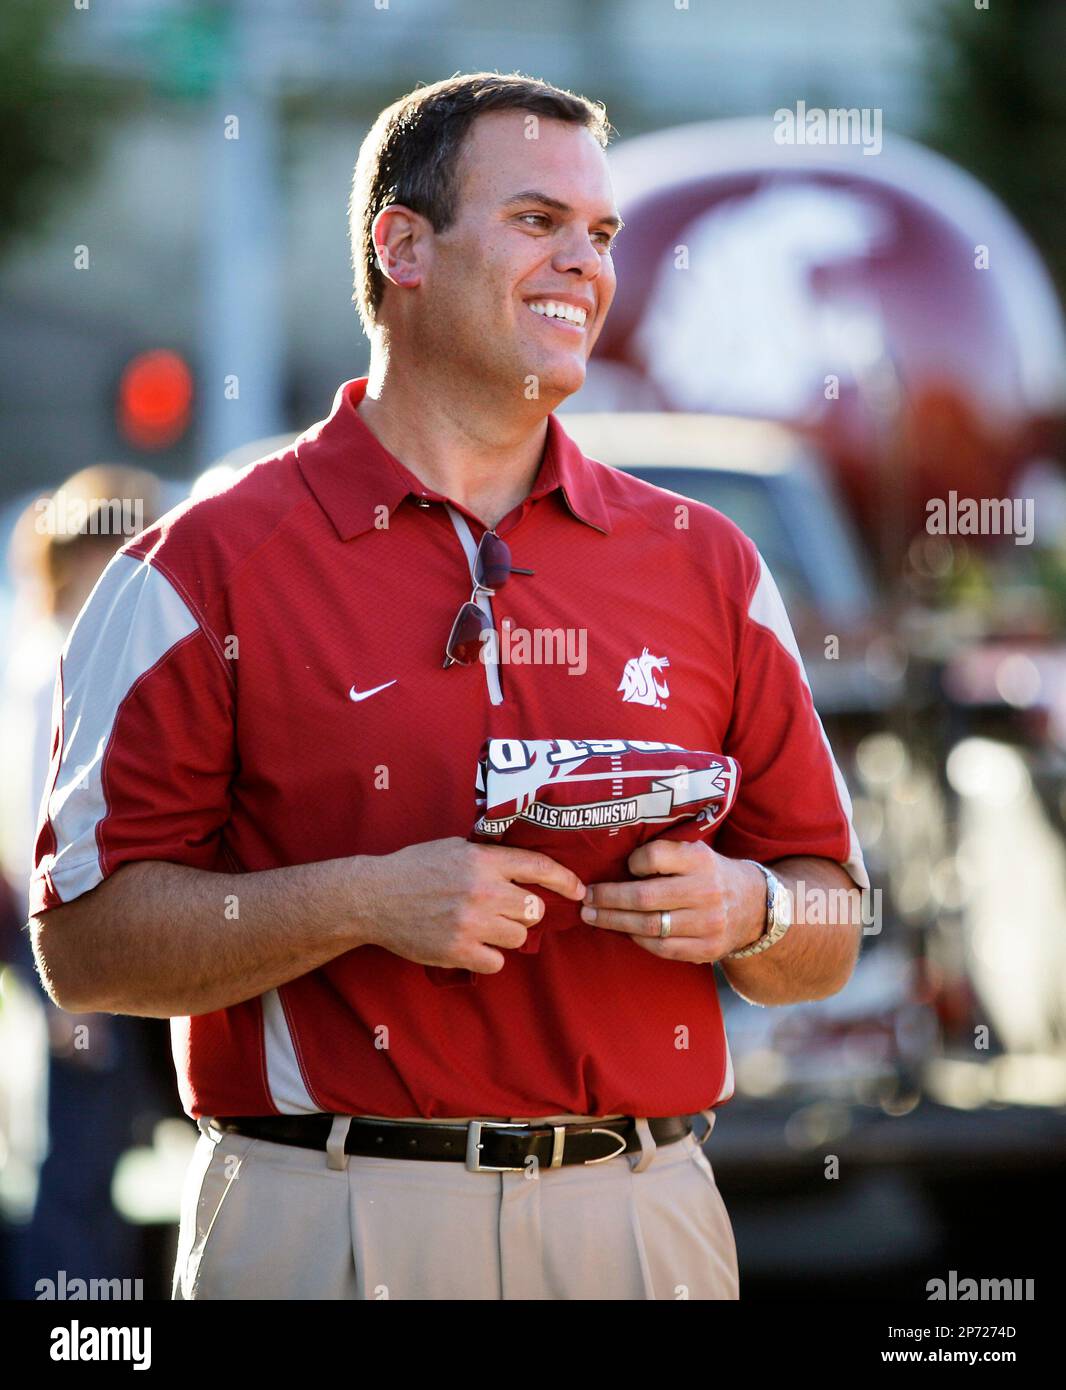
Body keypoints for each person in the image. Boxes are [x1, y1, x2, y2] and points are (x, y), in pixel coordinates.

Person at [28, 72, 869, 1301]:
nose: (585, 263)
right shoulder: (197, 568)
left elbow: (832, 915)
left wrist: (747, 909)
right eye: (538, 221)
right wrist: (364, 900)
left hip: (643, 1227)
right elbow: (86, 946)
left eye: (602, 235)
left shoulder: (709, 564)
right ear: (401, 245)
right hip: (325, 1225)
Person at [1, 467, 170, 1298]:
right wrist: (68, 992)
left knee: (101, 1152)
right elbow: (37, 834)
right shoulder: (56, 662)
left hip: (88, 928)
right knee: (79, 1159)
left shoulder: (66, 650)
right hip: (62, 931)